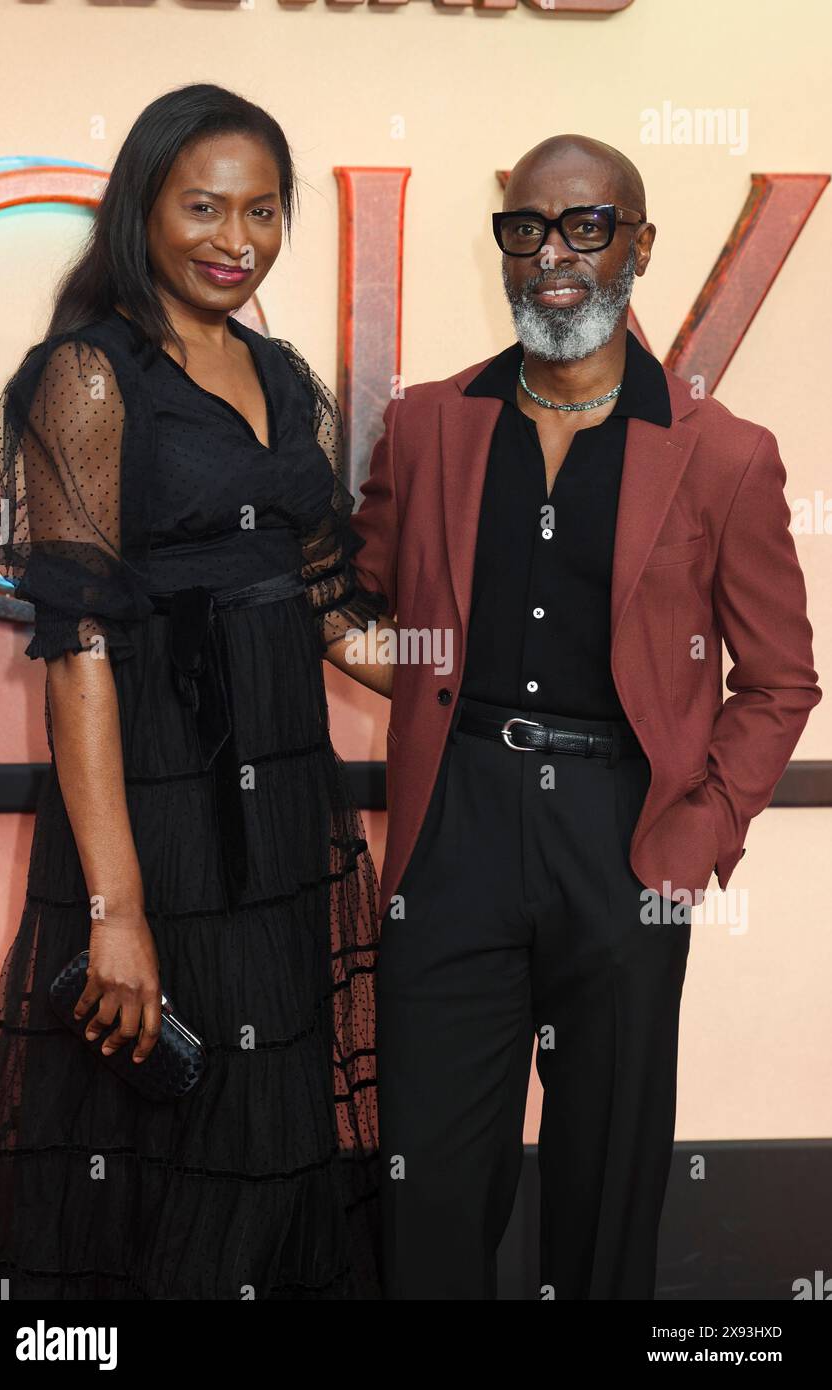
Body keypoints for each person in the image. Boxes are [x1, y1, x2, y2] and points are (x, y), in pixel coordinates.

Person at [346, 134, 821, 1299]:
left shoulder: (723, 456)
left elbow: (775, 681)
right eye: (526, 229)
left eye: (585, 227)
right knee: (430, 1186)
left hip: (624, 829)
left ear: (638, 246)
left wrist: (694, 838)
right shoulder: (424, 427)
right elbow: (364, 612)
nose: (552, 253)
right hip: (451, 824)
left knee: (605, 1184)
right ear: (503, 248)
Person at [0, 82, 393, 1300]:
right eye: (203, 205)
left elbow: (326, 608)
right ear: (143, 206)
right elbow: (79, 651)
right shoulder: (89, 378)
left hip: (278, 808)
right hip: (155, 804)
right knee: (154, 1125)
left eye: (262, 210)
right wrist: (115, 907)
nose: (235, 237)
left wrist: (463, 678)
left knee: (270, 1111)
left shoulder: (274, 368)